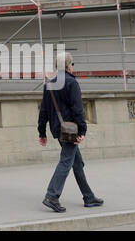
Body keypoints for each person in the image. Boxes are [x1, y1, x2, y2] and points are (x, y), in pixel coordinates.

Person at [37, 52, 103, 213]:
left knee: (77, 162)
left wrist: (42, 132)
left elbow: (43, 110)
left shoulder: (49, 84)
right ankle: (51, 195)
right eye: (72, 64)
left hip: (57, 129)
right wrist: (82, 130)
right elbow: (78, 109)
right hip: (70, 130)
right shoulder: (71, 83)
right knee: (66, 161)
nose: (72, 67)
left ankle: (88, 196)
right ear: (68, 66)